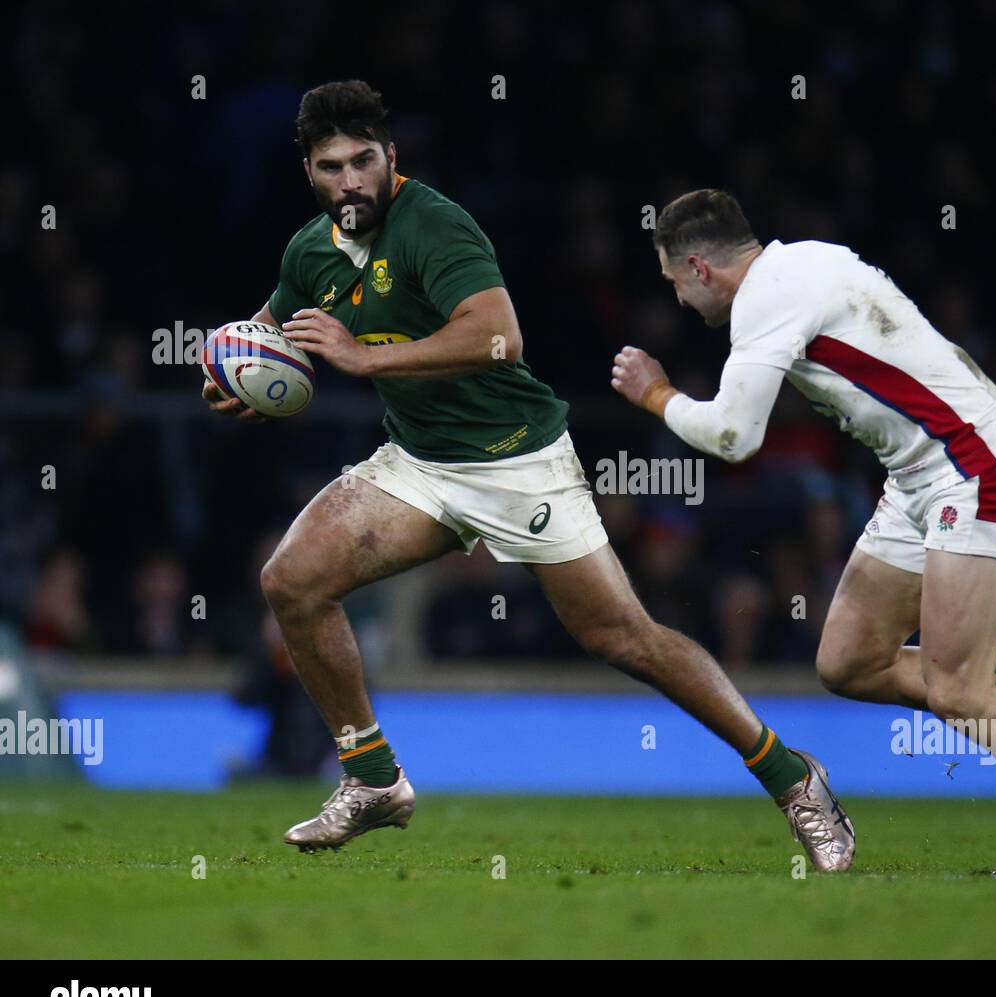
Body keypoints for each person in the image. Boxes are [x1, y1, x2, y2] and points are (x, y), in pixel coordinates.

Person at [201, 84, 854, 871]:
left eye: (364, 161)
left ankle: (794, 778)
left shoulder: (434, 226)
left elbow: (498, 336)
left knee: (626, 639)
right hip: (419, 463)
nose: (351, 182)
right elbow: (269, 333)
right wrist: (234, 372)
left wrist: (364, 356)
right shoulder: (308, 253)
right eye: (332, 166)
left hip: (519, 460)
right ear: (308, 170)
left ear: (391, 159)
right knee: (292, 580)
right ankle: (373, 779)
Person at [611, 189, 996, 877]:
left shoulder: (766, 302)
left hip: (974, 475)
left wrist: (654, 393)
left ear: (700, 267)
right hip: (926, 476)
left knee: (956, 689)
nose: (676, 300)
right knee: (850, 661)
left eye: (674, 282)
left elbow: (734, 436)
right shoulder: (817, 260)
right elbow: (938, 354)